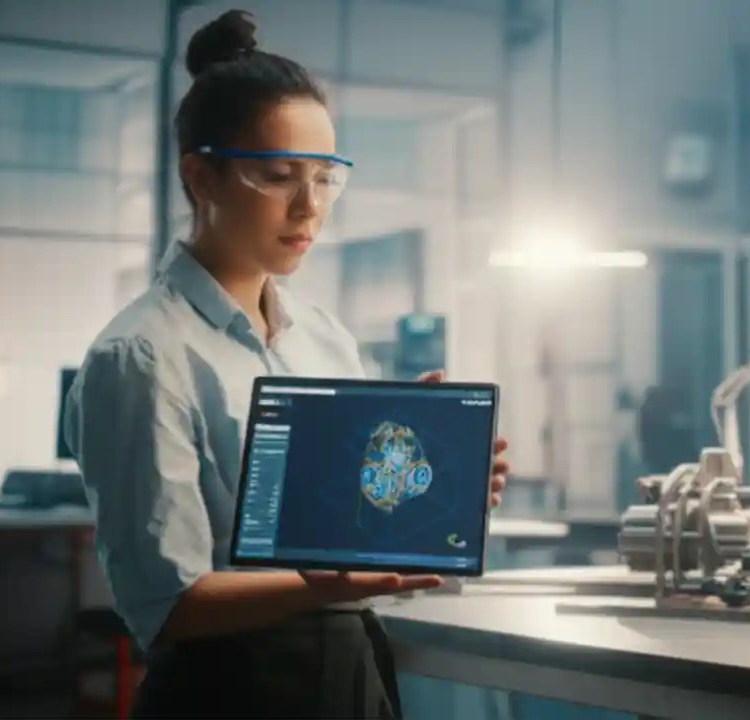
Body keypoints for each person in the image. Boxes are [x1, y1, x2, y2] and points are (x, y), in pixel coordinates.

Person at [62, 9, 509, 718]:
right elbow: (170, 604)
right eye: (277, 176)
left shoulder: (322, 338)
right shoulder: (143, 357)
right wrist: (341, 581)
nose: (310, 207)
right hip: (227, 692)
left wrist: (429, 493)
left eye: (326, 178)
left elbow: (349, 528)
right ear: (200, 176)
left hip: (350, 675)